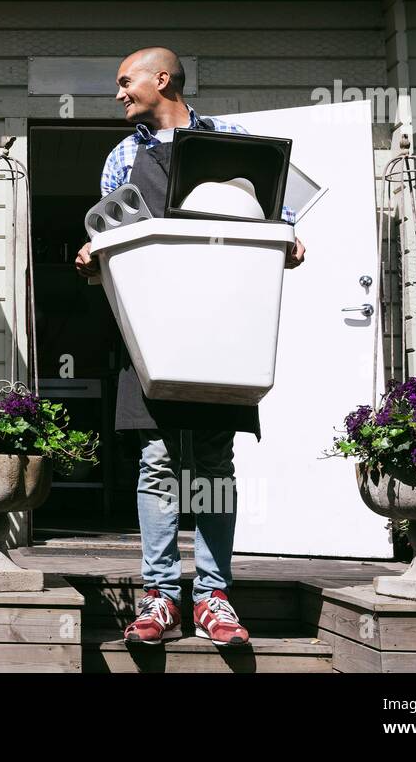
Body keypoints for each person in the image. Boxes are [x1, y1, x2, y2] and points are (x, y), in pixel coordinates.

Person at [74, 47, 306, 647]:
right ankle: (160, 600)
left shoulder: (232, 141)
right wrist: (90, 255)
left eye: (126, 81)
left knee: (212, 467)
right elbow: (107, 233)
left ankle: (213, 599)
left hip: (224, 328)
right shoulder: (123, 157)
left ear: (163, 79)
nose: (119, 93)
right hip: (150, 329)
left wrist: (289, 237)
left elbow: (269, 219)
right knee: (156, 465)